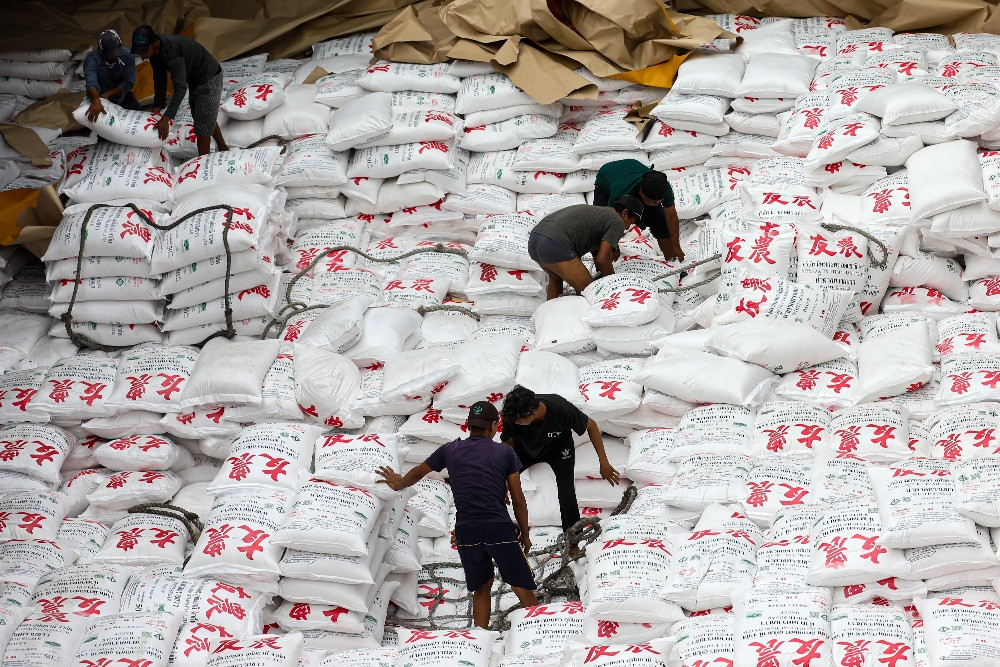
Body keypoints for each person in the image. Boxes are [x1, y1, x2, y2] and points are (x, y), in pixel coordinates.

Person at [376, 401, 538, 628]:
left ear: (468, 425)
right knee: (521, 585)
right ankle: (539, 630)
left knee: (481, 588)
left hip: (465, 532)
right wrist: (526, 535)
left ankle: (480, 636)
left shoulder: (449, 450)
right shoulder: (505, 452)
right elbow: (518, 500)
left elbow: (419, 472)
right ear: (493, 425)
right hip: (498, 528)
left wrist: (397, 483)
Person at [500, 385, 621, 556]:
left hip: (558, 449)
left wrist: (603, 461)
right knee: (497, 484)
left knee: (567, 492)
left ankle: (573, 541)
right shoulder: (513, 416)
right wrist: (505, 476)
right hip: (524, 450)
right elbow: (508, 443)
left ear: (532, 413)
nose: (515, 423)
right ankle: (505, 534)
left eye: (519, 421)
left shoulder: (561, 409)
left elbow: (591, 426)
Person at [130, 25, 228, 156]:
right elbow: (159, 81)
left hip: (209, 78)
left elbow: (180, 89)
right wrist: (156, 111)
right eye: (140, 53)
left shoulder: (172, 51)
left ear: (155, 42)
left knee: (202, 126)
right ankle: (223, 148)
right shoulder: (155, 53)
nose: (142, 57)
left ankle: (203, 162)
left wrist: (166, 118)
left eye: (144, 51)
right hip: (195, 79)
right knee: (202, 116)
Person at [528, 197, 642, 301]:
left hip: (535, 239)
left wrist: (613, 250)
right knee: (589, 291)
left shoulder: (599, 213)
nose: (628, 227)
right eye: (631, 222)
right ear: (625, 213)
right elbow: (602, 260)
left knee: (556, 278)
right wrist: (613, 283)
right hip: (554, 243)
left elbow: (598, 250)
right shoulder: (617, 221)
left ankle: (550, 314)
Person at [594, 159, 686, 262]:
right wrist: (614, 247)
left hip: (632, 168)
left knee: (660, 223)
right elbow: (609, 221)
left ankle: (671, 262)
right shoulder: (621, 192)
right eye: (652, 201)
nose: (656, 204)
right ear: (641, 192)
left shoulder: (664, 188)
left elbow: (671, 215)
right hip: (608, 175)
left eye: (659, 201)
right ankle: (602, 267)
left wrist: (676, 246)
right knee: (599, 229)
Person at [84, 30, 139, 123]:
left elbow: (128, 83)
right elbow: (91, 82)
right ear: (101, 52)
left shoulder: (128, 56)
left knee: (136, 115)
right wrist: (96, 100)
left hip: (121, 95)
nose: (115, 58)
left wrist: (108, 94)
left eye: (117, 54)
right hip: (98, 97)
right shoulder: (91, 59)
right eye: (111, 55)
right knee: (98, 121)